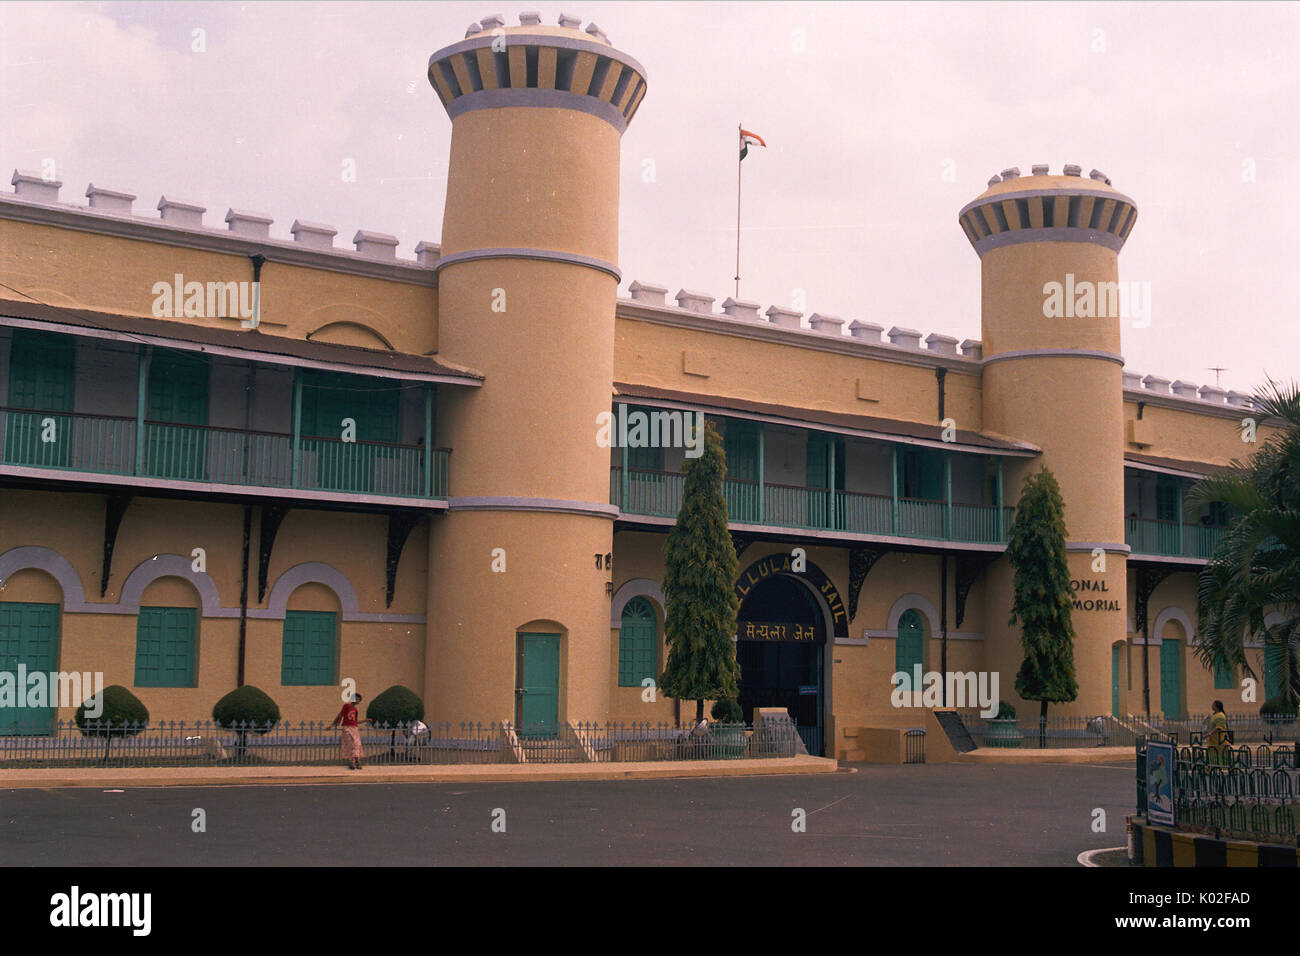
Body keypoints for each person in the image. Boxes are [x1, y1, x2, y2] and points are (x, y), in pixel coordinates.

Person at [332, 693, 366, 770]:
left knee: (357, 744)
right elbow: (340, 715)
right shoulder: (346, 706)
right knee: (350, 744)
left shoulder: (355, 710)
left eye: (359, 700)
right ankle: (351, 762)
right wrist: (333, 724)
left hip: (354, 728)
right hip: (347, 727)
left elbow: (355, 721)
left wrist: (365, 720)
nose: (357, 701)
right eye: (356, 699)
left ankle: (357, 761)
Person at [1205, 699, 1231, 766]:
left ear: (1216, 706)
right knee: (1212, 755)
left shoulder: (1220, 716)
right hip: (1213, 740)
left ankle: (1222, 768)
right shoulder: (1214, 715)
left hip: (1219, 740)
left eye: (1213, 705)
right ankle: (1212, 768)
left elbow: (1219, 727)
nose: (1212, 706)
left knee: (1221, 755)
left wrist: (1209, 734)